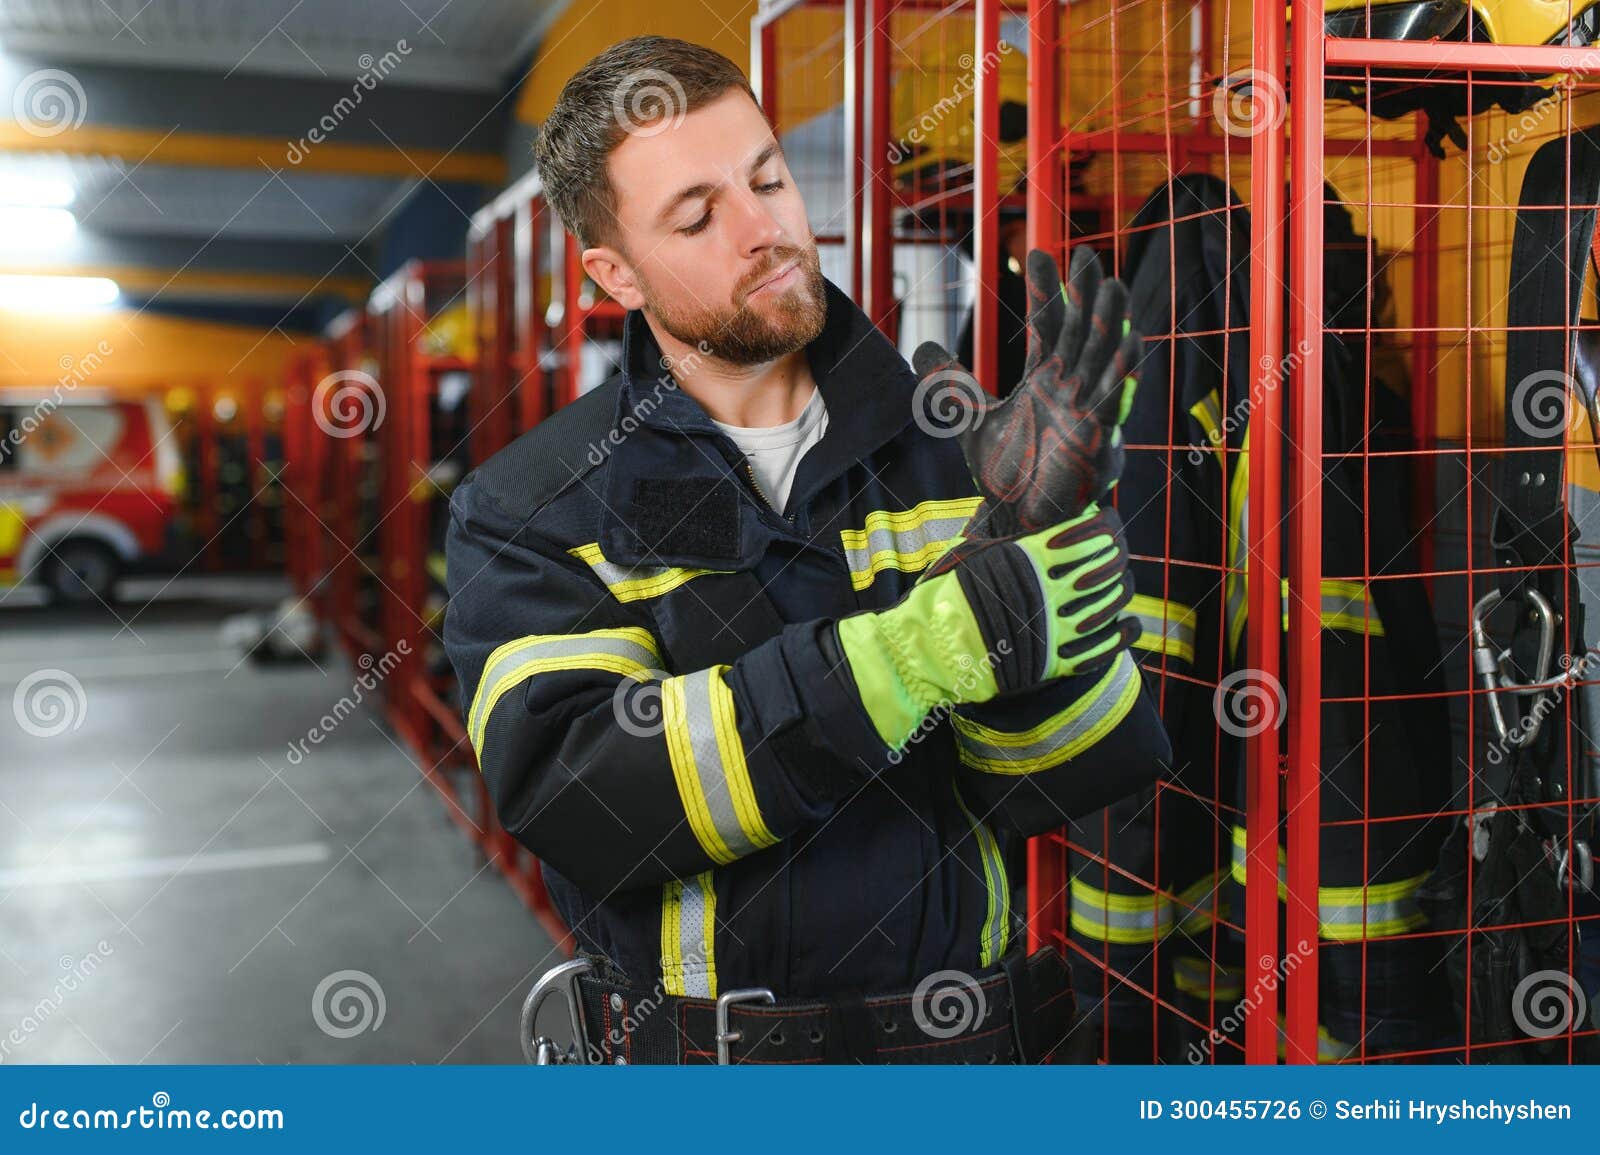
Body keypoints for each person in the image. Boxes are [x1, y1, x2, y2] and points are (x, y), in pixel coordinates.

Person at [443, 35, 1171, 1064]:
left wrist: (1023, 537)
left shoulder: (954, 451)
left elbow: (1055, 782)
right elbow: (597, 801)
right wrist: (911, 653)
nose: (763, 230)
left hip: (965, 1058)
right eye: (696, 215)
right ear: (614, 274)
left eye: (768, 181)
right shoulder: (538, 507)